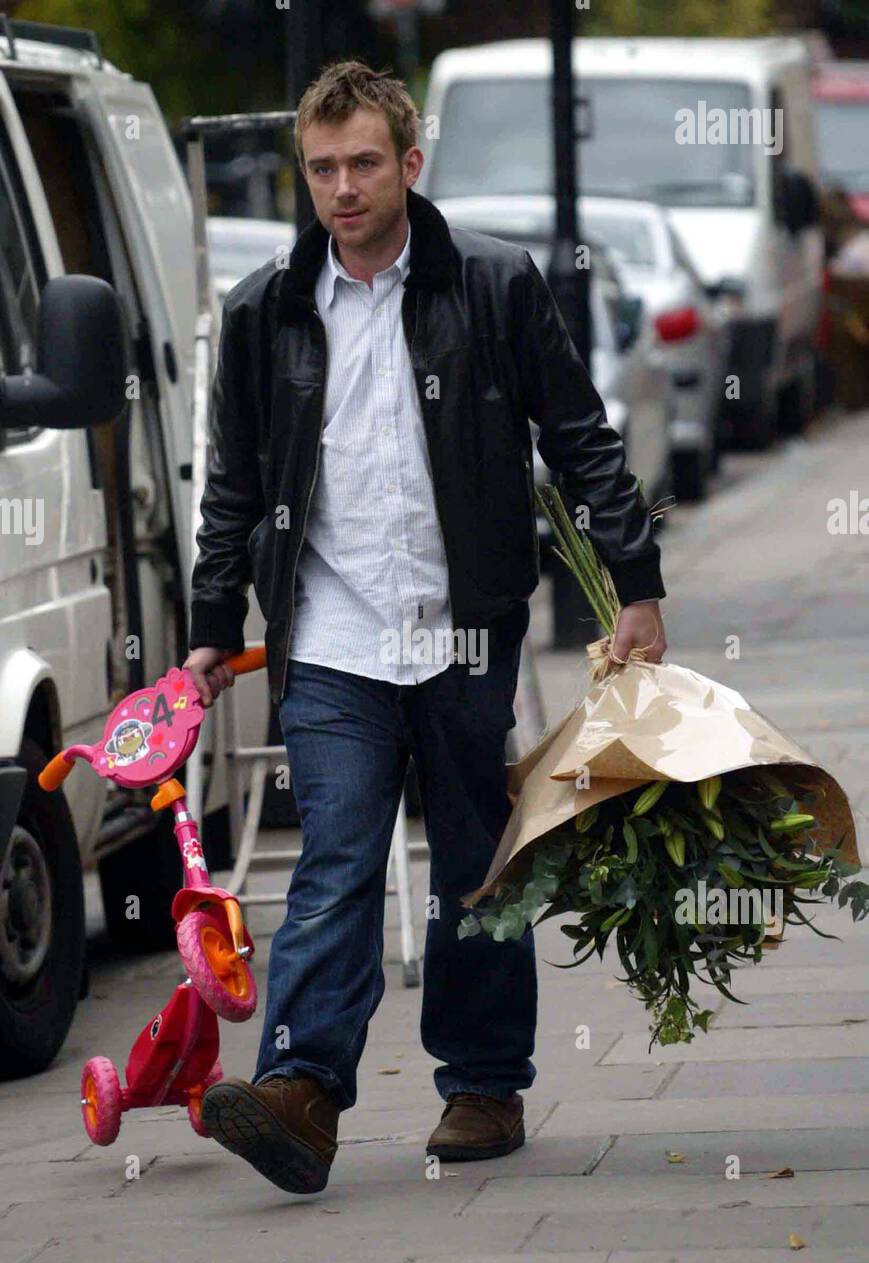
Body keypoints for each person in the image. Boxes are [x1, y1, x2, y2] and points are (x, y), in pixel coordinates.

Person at [183, 59, 667, 1195]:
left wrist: (632, 580)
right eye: (320, 168)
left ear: (409, 163)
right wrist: (212, 627)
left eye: (362, 163)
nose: (341, 188)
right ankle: (300, 1089)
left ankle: (483, 1083)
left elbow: (579, 436)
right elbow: (234, 490)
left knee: (471, 865)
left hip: (463, 628)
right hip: (332, 639)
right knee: (336, 859)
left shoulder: (492, 286)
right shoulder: (262, 312)